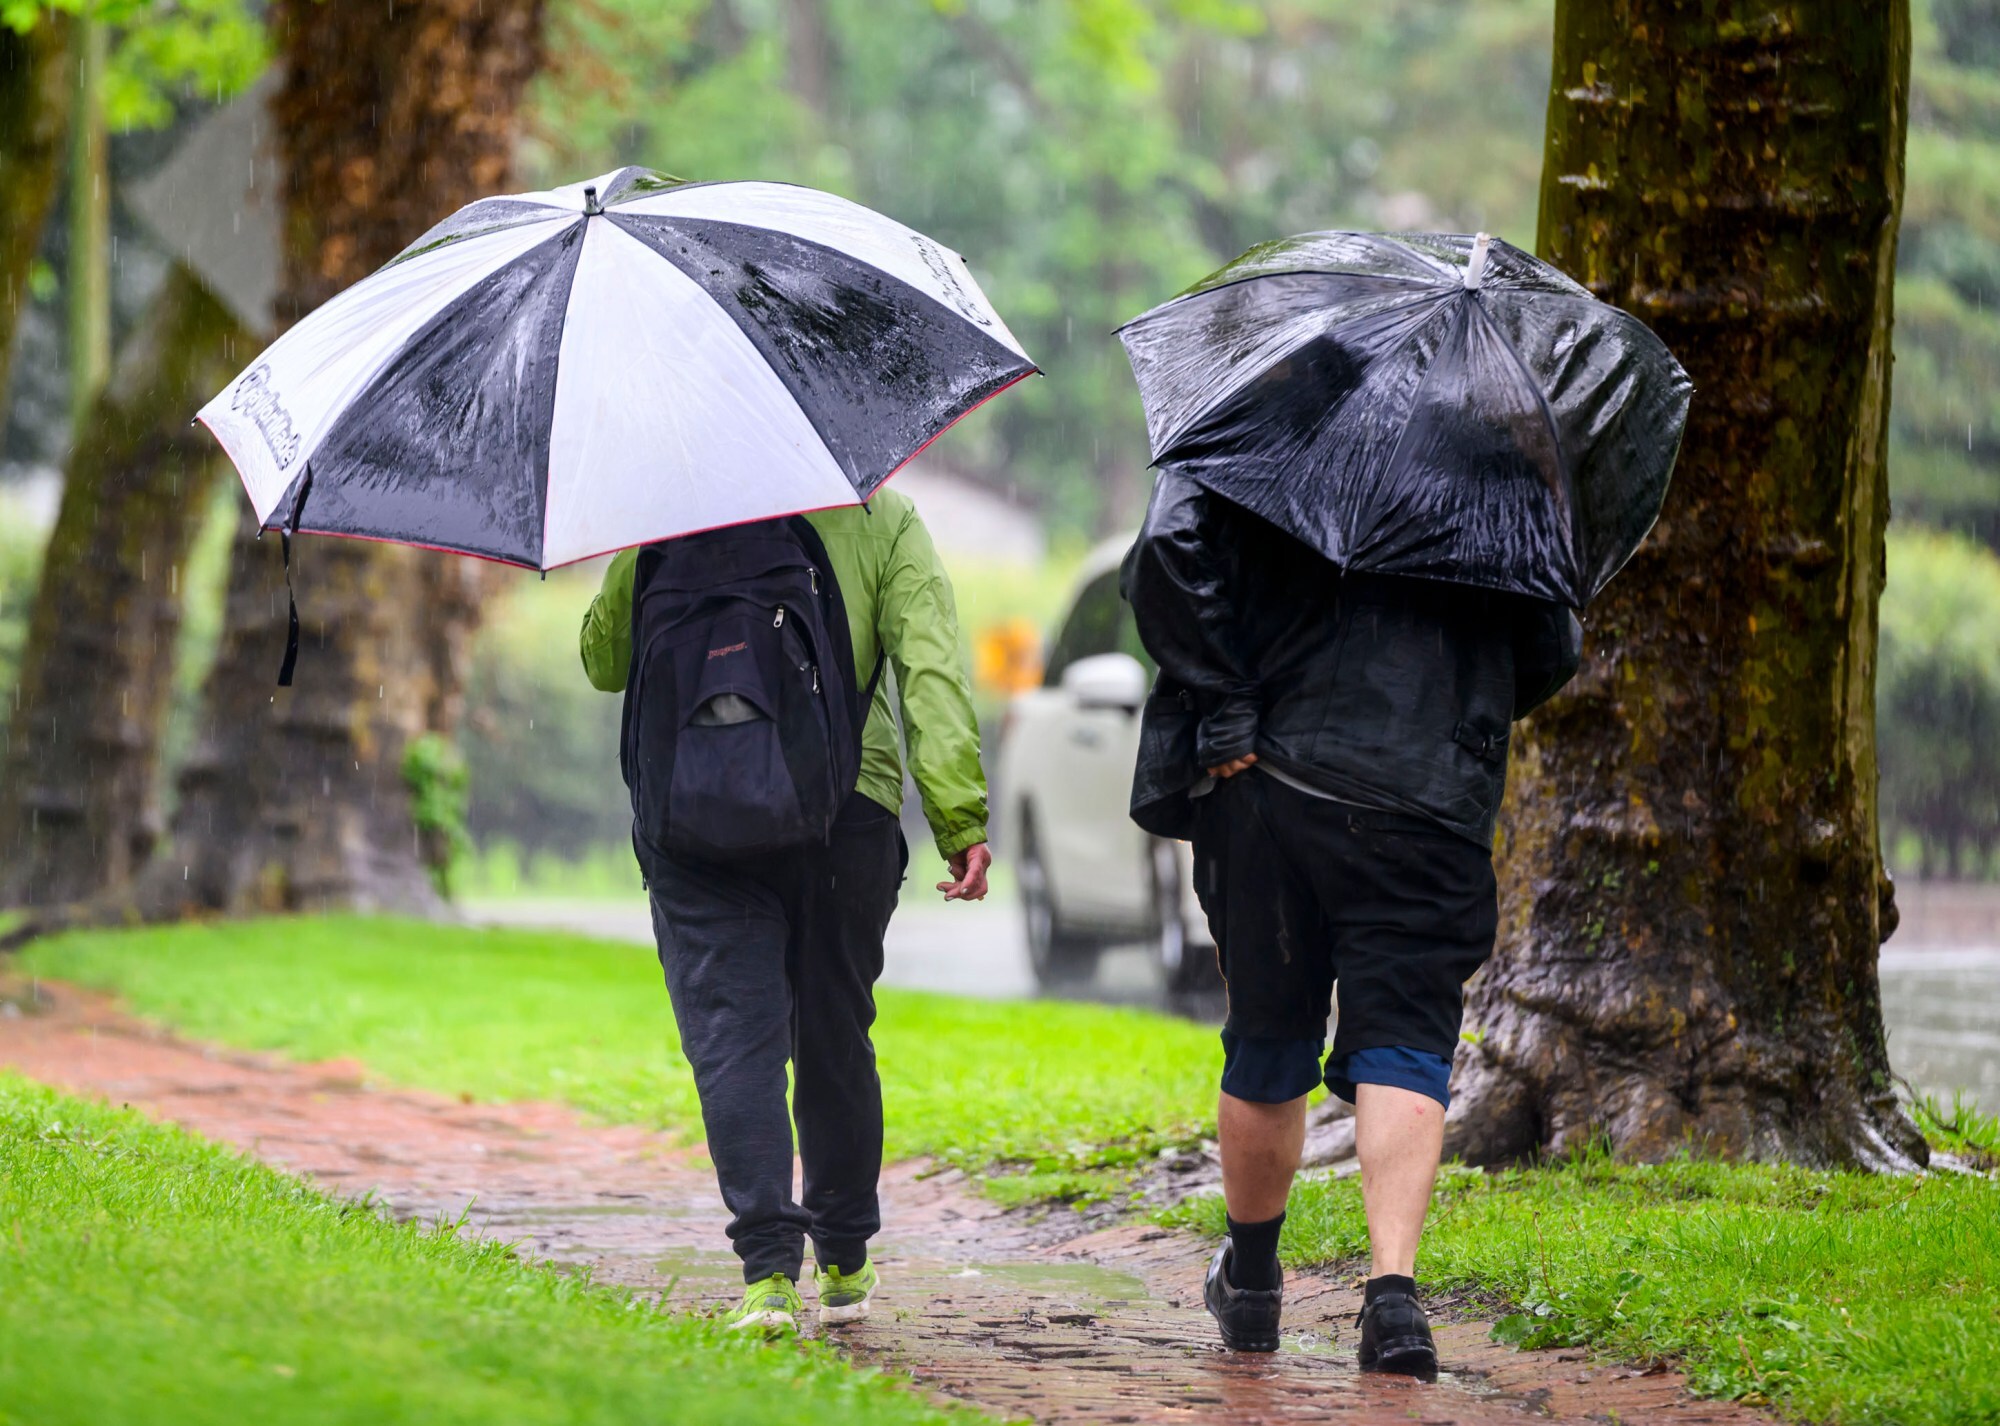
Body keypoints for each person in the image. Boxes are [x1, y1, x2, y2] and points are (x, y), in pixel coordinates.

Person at [1122, 470, 1580, 1379]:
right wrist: (1454, 714)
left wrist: (1228, 698)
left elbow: (1165, 555)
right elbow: (1552, 641)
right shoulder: (1500, 457)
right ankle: (1393, 1301)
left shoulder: (1257, 424)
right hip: (1425, 803)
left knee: (1267, 1030)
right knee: (1408, 1034)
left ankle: (1251, 1280)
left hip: (1264, 781)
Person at [580, 486, 992, 1334]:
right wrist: (959, 816)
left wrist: (635, 542)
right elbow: (931, 667)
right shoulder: (879, 516)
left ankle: (767, 1273)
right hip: (845, 808)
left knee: (735, 1035)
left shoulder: (669, 503)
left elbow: (604, 662)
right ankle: (843, 1254)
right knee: (835, 1029)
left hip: (695, 816)